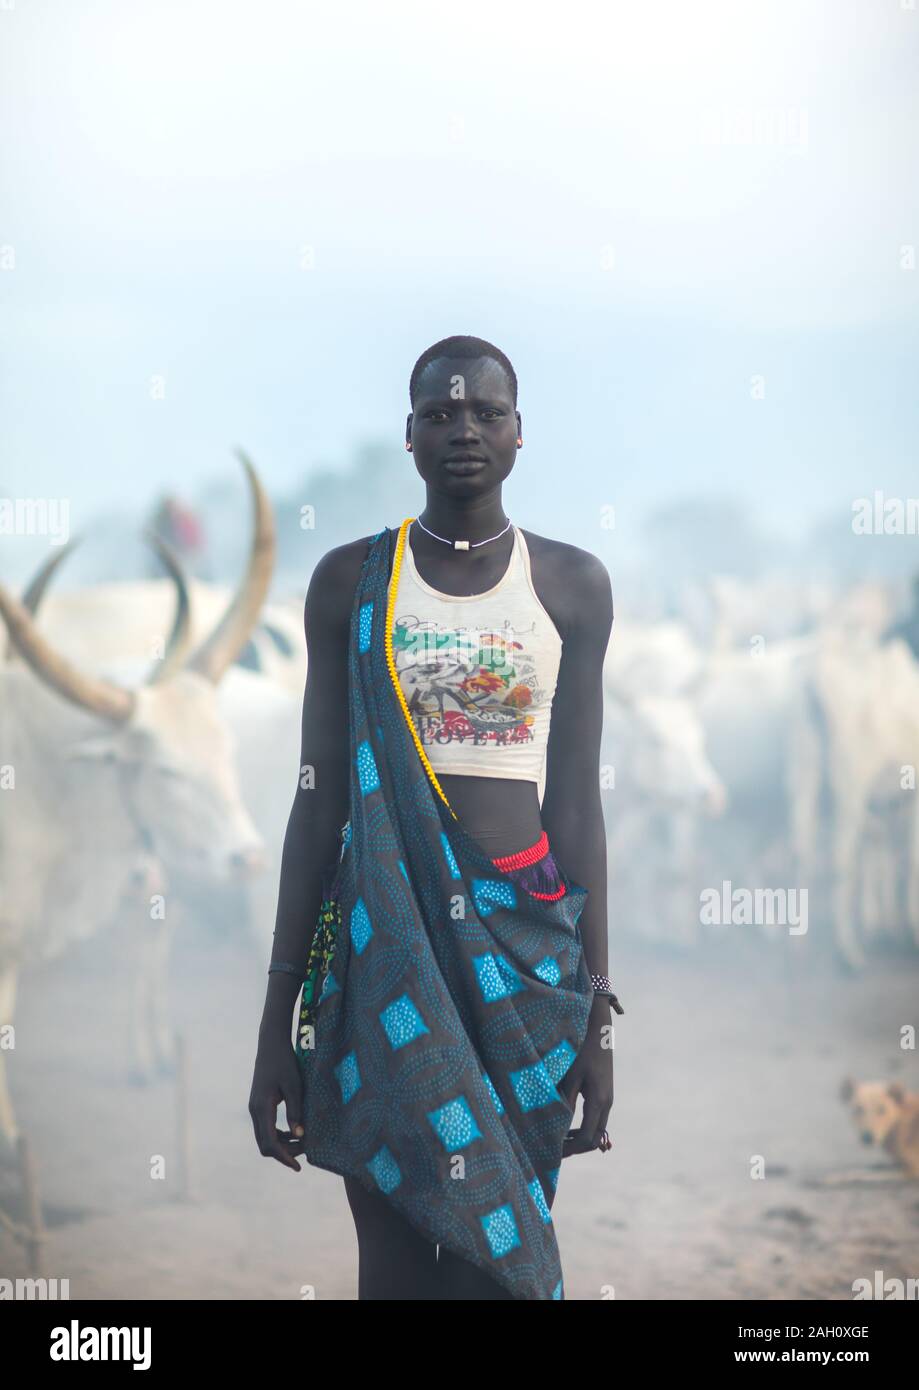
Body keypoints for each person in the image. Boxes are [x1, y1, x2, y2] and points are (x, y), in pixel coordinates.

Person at [249, 335, 622, 1300]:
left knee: (495, 1270)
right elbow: (317, 800)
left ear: (519, 433)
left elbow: (576, 803)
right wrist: (277, 1015)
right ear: (408, 437)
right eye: (441, 414)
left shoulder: (570, 586)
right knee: (397, 1260)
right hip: (385, 964)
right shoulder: (352, 583)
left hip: (523, 965)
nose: (464, 431)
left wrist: (598, 1014)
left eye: (486, 413)